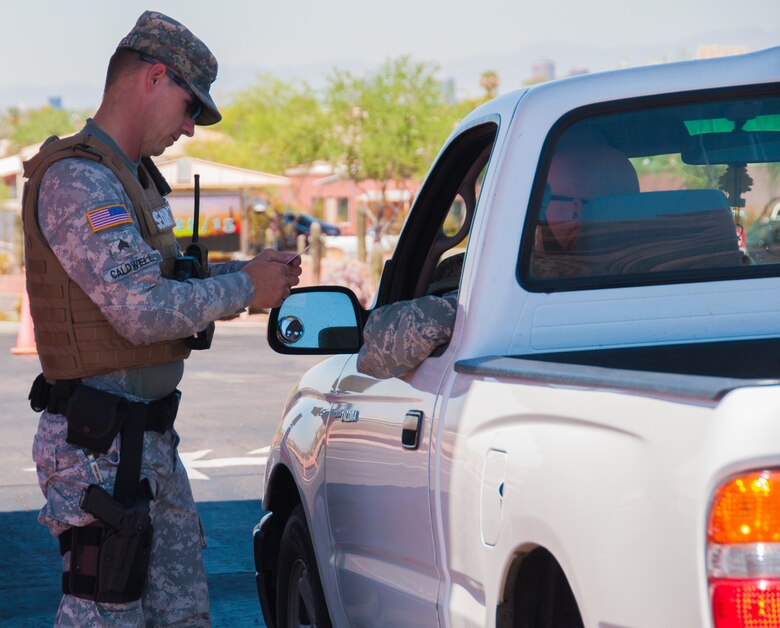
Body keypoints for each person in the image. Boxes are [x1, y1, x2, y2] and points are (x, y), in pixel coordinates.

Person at [23, 11, 300, 626]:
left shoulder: (131, 182)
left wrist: (240, 272)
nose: (190, 129)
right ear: (154, 77)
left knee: (181, 616)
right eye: (190, 108)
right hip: (98, 450)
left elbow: (155, 282)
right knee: (106, 614)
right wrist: (245, 288)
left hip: (144, 445)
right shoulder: (79, 180)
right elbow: (141, 311)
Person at [357, 141, 638, 379]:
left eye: (544, 198)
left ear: (575, 212)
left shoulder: (531, 279)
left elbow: (375, 352)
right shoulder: (662, 272)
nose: (532, 211)